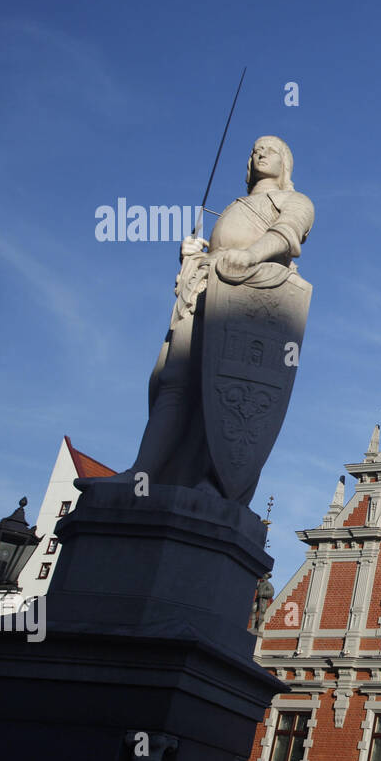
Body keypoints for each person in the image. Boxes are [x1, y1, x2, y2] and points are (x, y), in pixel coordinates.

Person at [113, 136, 314, 501]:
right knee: (173, 380)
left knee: (222, 389)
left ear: (285, 163)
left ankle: (216, 481)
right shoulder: (235, 205)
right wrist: (191, 257)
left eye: (270, 149)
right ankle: (142, 474)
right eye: (255, 150)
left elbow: (287, 234)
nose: (260, 153)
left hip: (248, 298)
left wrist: (251, 255)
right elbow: (221, 249)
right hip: (206, 287)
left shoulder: (294, 200)